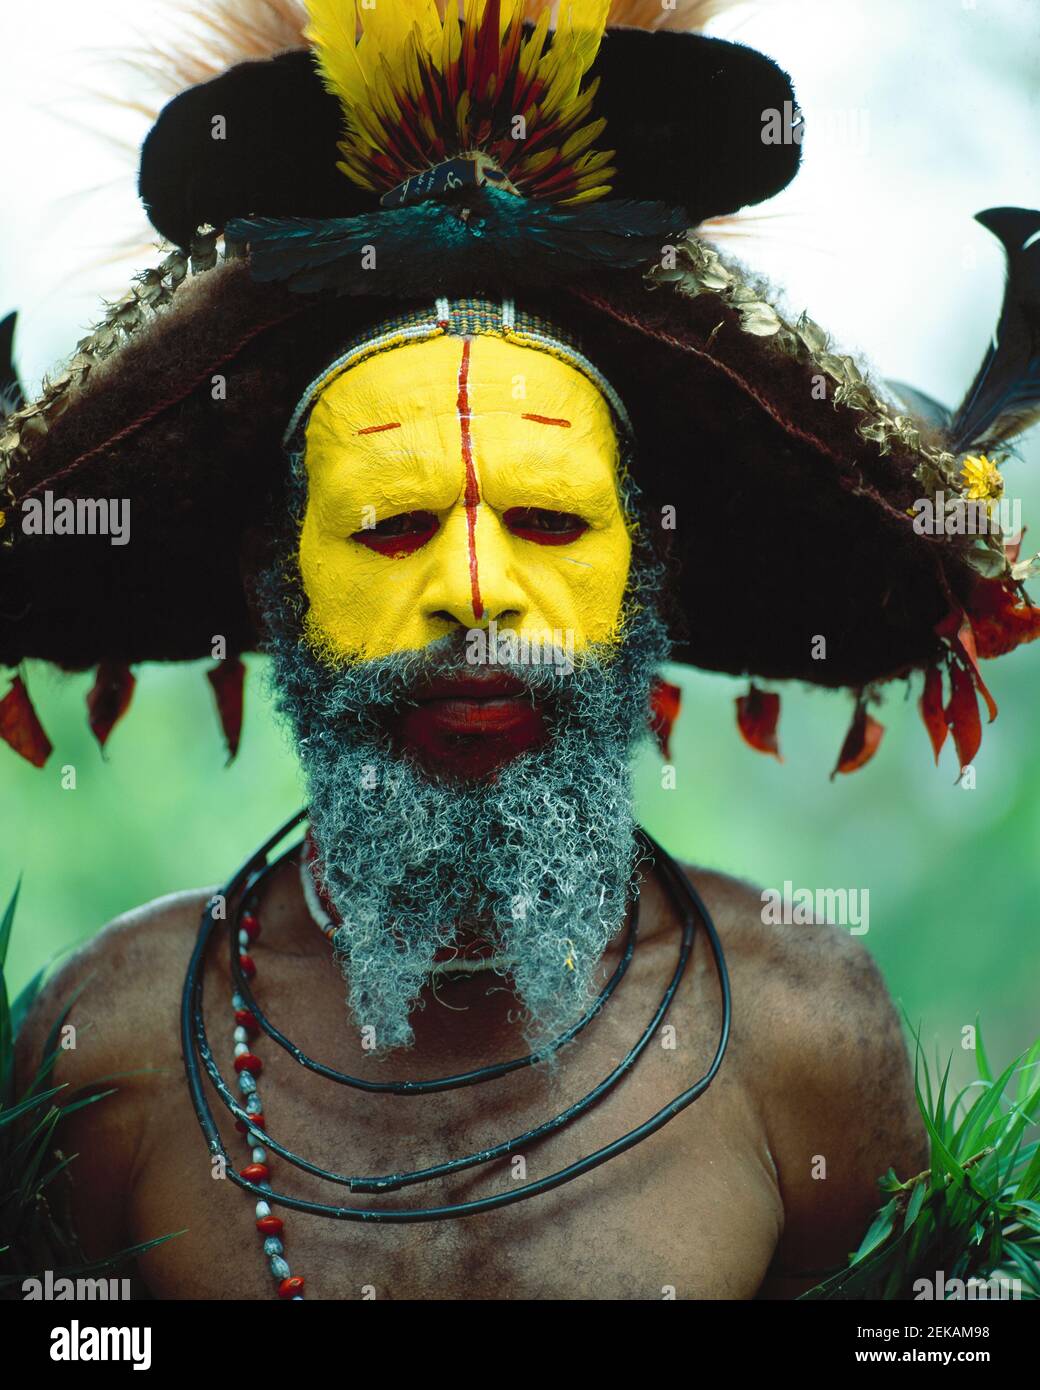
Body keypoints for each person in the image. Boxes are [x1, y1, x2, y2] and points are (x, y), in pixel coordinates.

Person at [4, 0, 1039, 1301]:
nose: (475, 594)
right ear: (279, 588)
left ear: (641, 575)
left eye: (549, 522)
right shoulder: (113, 1042)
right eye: (391, 527)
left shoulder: (797, 1021)